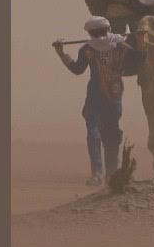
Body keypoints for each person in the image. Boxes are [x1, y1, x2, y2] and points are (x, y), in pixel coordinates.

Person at [53, 16, 146, 186]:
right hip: (111, 96)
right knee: (108, 134)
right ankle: (106, 173)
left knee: (96, 133)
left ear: (90, 33)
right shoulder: (121, 47)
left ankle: (101, 173)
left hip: (96, 97)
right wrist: (141, 41)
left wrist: (61, 54)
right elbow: (140, 60)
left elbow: (77, 69)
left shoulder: (88, 49)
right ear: (109, 29)